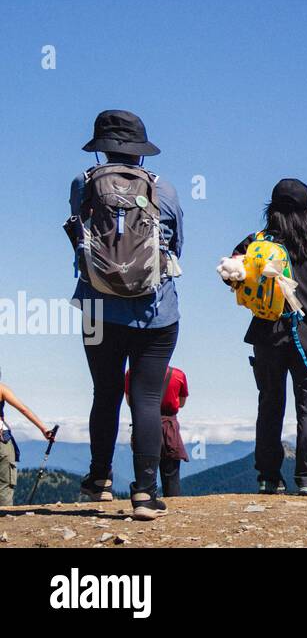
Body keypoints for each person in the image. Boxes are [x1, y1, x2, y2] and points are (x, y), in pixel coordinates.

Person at [68, 110, 182, 521]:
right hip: (155, 311)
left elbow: (79, 241)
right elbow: (176, 246)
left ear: (101, 147)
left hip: (97, 308)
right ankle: (145, 494)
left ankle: (100, 480)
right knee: (147, 398)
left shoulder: (83, 183)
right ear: (140, 152)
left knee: (106, 392)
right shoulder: (163, 188)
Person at [231, 180, 307, 495]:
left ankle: (268, 476)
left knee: (270, 404)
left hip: (267, 334)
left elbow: (232, 275)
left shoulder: (256, 244)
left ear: (272, 210)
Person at [125, 365, 189, 497]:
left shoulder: (132, 372)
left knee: (145, 469)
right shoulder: (178, 374)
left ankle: (144, 499)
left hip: (144, 424)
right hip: (169, 427)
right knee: (170, 471)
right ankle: (173, 502)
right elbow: (182, 403)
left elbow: (130, 401)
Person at [0, 378, 56, 507]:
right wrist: (44, 429)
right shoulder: (2, 389)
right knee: (4, 484)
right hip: (2, 440)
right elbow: (24, 409)